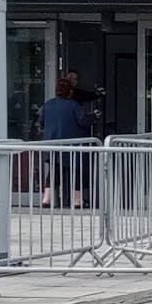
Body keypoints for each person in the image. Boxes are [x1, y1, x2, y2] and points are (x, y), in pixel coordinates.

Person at [38, 77, 99, 208]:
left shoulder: (48, 104)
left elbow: (41, 122)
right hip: (72, 145)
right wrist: (94, 116)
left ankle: (46, 199)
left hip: (53, 145)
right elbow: (83, 121)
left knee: (54, 171)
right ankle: (77, 200)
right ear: (70, 91)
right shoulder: (74, 105)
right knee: (76, 171)